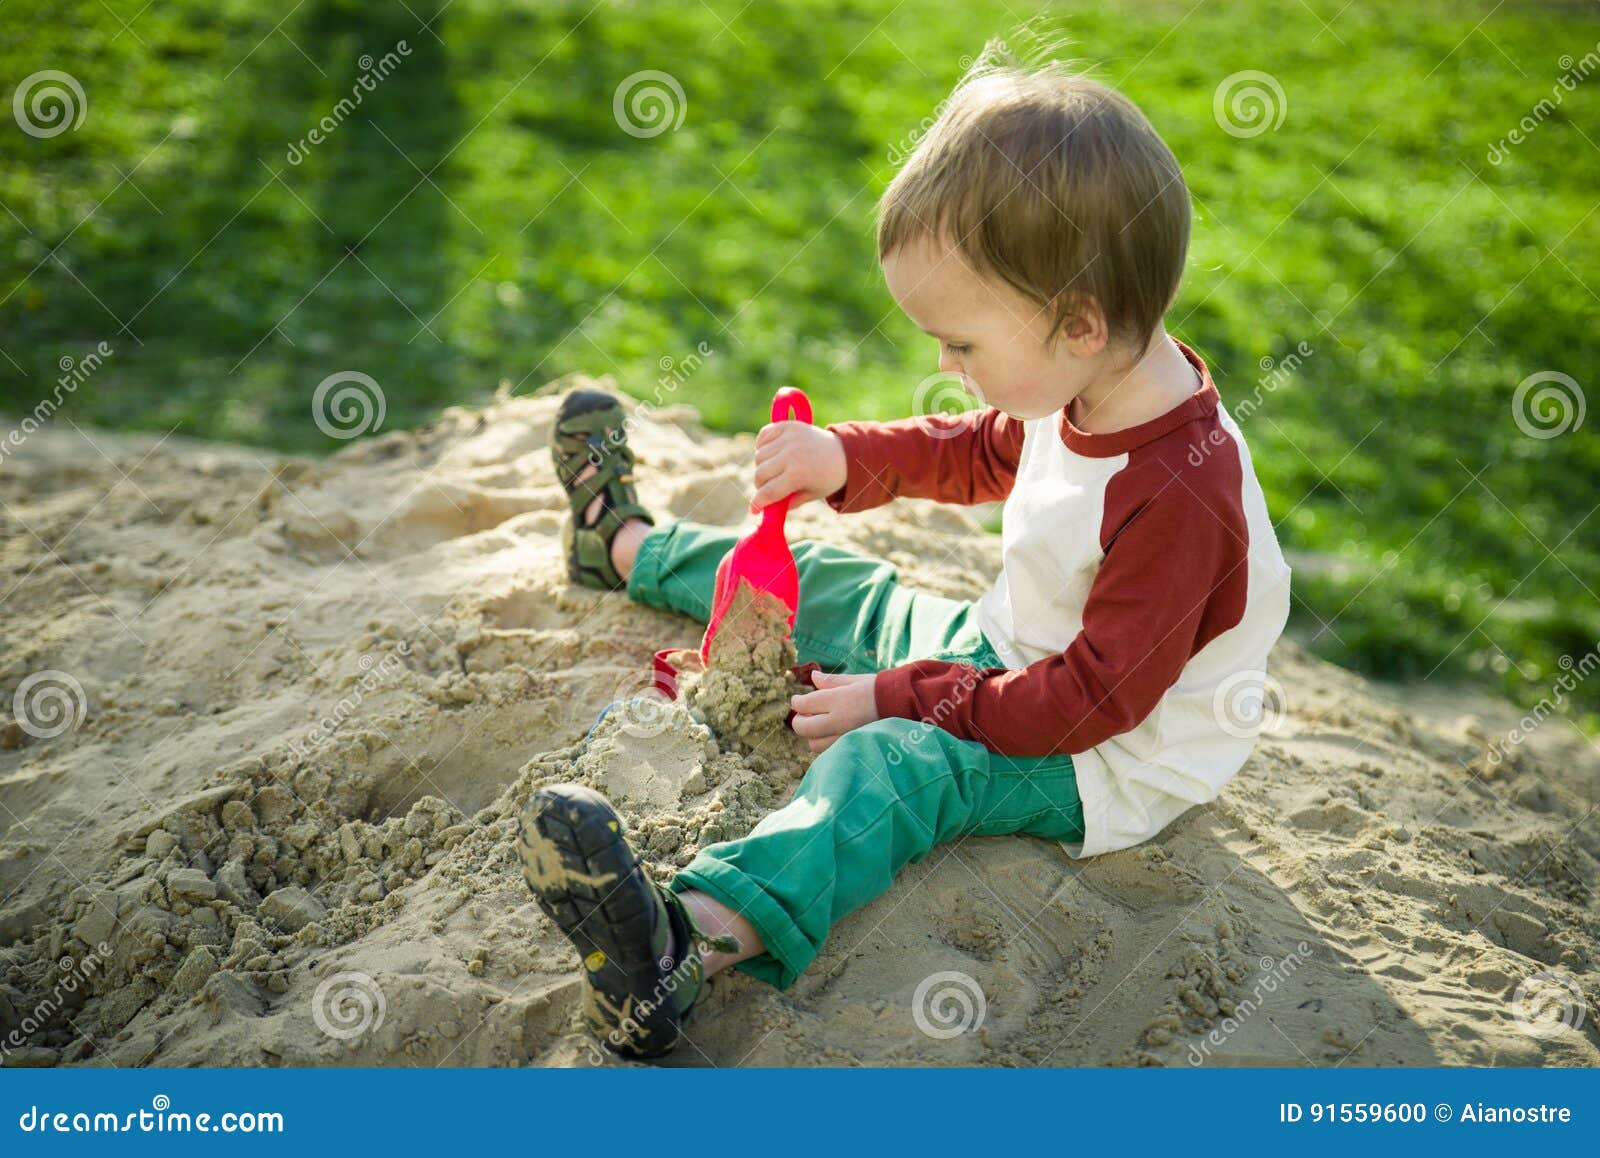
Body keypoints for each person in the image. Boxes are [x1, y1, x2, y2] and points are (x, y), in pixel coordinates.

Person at [516, 46, 1291, 1060]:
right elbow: (982, 451)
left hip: (1107, 756)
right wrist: (845, 459)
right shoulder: (1087, 383)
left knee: (897, 768)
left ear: (1077, 323)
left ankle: (684, 950)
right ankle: (620, 545)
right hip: (1009, 652)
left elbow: (1085, 705)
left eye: (960, 345)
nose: (943, 364)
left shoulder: (1180, 494)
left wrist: (897, 695)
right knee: (837, 583)